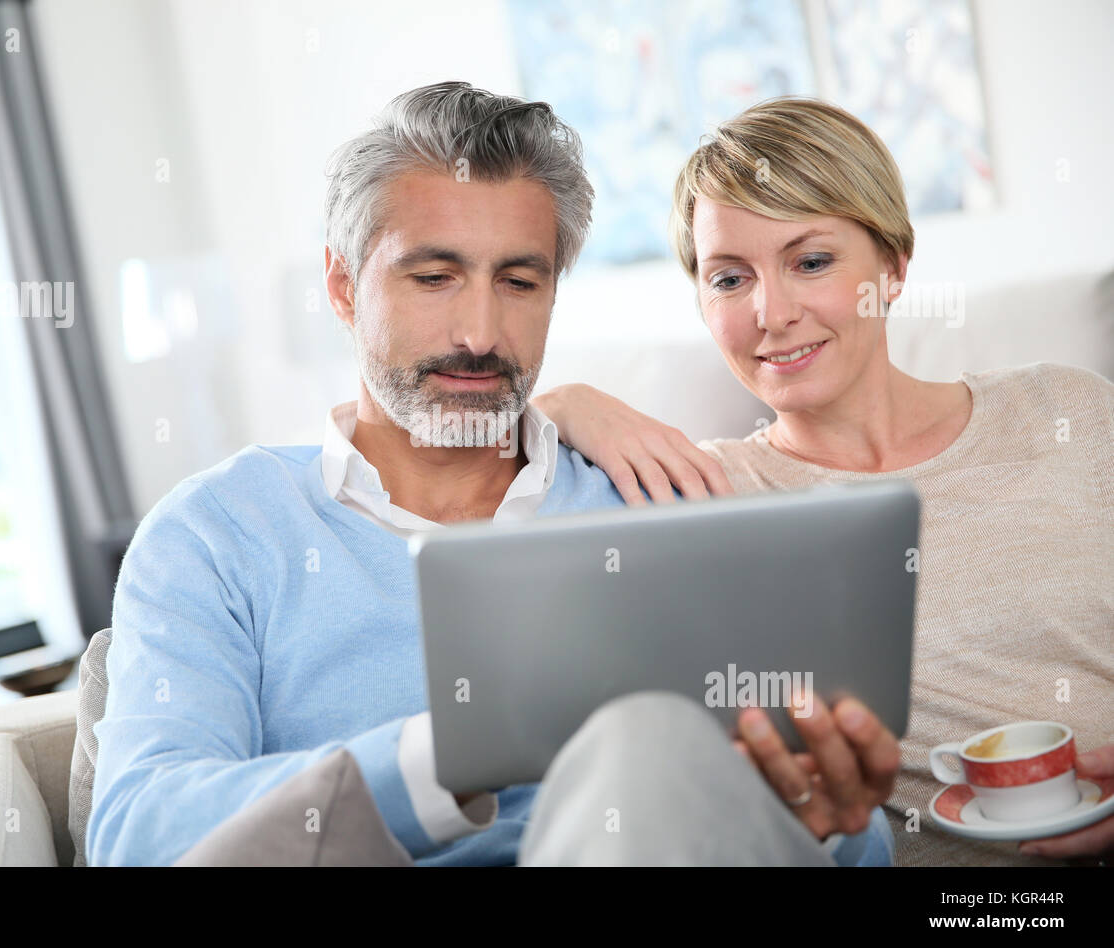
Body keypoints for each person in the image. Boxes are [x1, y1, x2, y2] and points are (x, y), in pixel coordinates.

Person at [87, 82, 901, 866]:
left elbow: (848, 843)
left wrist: (827, 822)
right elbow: (139, 837)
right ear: (342, 287)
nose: (479, 331)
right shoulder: (217, 534)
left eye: (518, 281)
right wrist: (447, 753)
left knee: (646, 744)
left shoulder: (656, 505)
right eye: (434, 277)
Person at [533, 96, 1114, 866]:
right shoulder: (698, 493)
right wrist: (558, 405)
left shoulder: (1067, 411)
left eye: (810, 262)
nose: (771, 314)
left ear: (894, 267)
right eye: (730, 279)